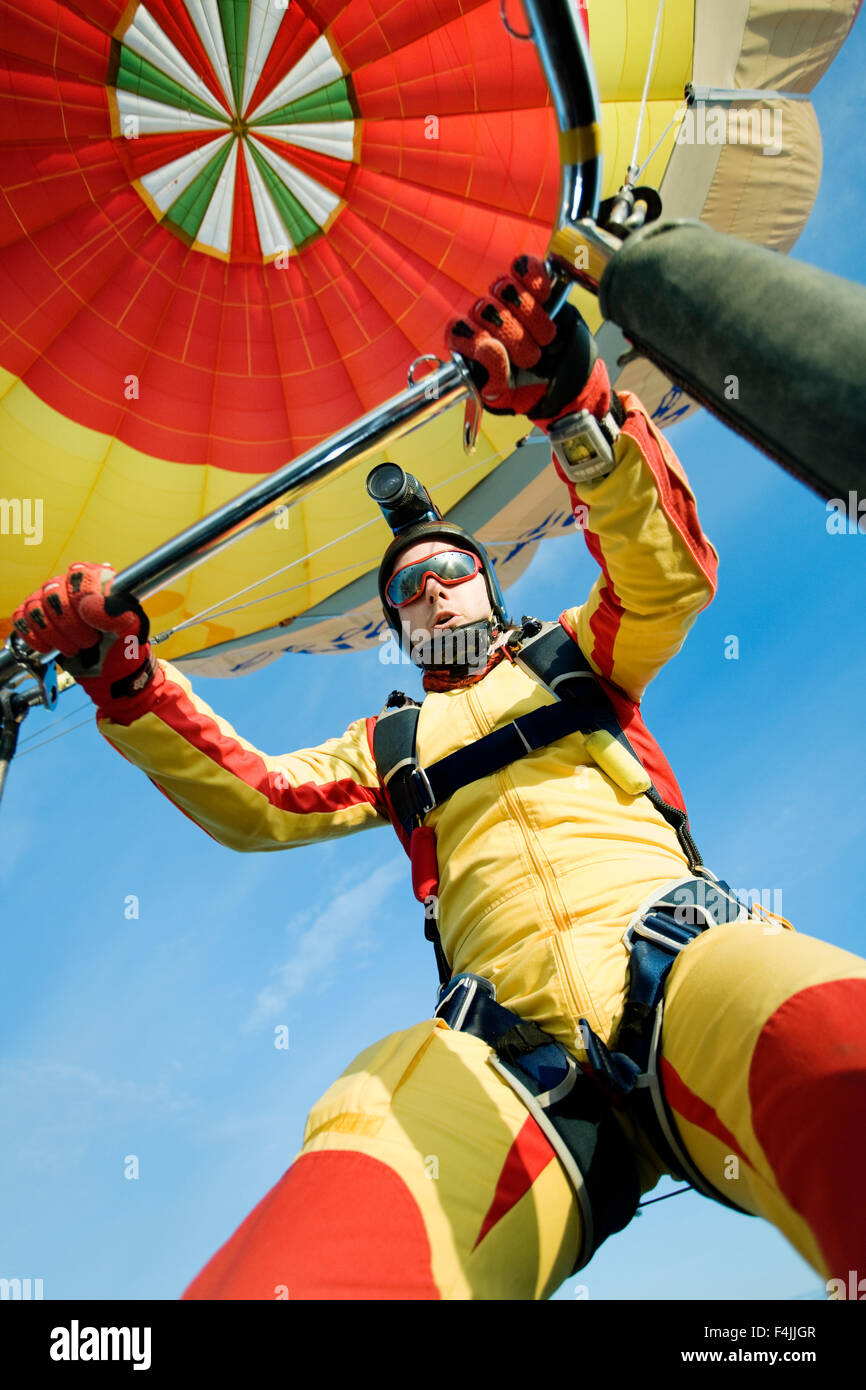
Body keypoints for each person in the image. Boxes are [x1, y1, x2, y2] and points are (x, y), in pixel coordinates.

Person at [14, 256, 866, 1301]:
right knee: (341, 1202)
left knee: (826, 1044)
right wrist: (129, 681)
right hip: (503, 1050)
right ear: (397, 627)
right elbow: (262, 800)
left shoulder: (576, 654)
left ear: (486, 583)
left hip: (679, 957)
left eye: (448, 571)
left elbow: (664, 580)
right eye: (406, 592)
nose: (429, 593)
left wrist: (578, 423)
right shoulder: (387, 743)